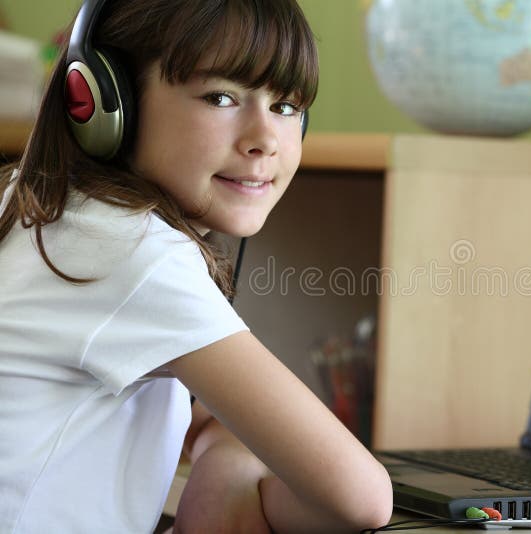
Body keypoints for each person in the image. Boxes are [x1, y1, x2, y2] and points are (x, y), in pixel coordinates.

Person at [0, 0, 393, 532]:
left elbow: (202, 408)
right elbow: (361, 497)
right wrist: (229, 469)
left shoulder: (37, 205)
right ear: (102, 102)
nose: (264, 140)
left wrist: (226, 451)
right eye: (221, 97)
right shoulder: (130, 251)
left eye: (285, 106)